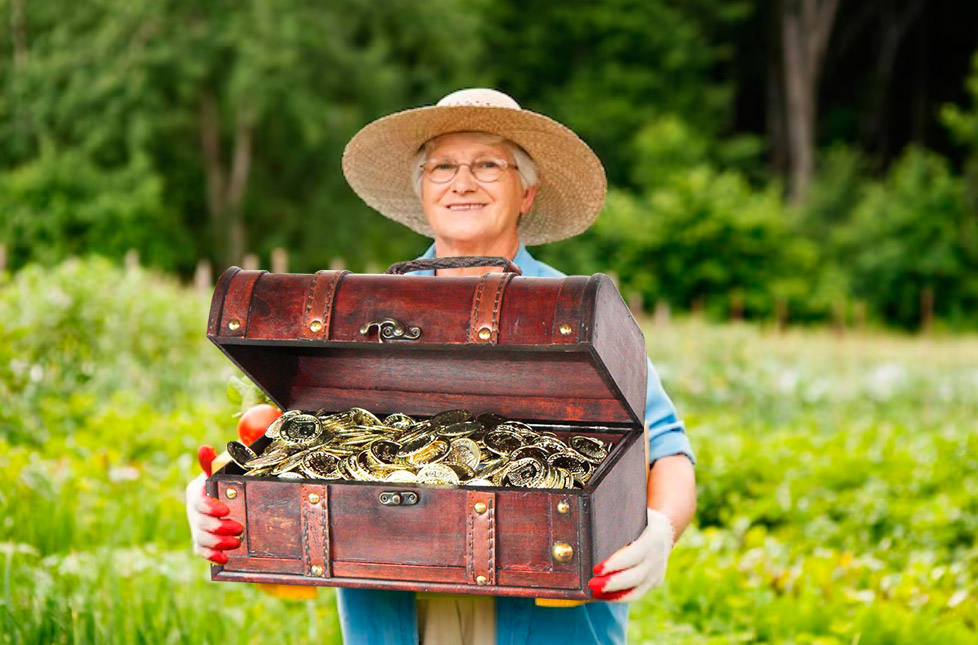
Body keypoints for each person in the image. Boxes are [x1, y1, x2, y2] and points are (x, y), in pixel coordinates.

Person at [186, 88, 696, 645]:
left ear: (527, 191)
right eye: (442, 166)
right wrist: (225, 494)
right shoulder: (360, 315)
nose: (462, 182)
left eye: (486, 164)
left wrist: (662, 531)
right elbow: (313, 434)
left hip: (553, 620)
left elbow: (666, 450)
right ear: (423, 191)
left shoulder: (577, 311)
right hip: (394, 612)